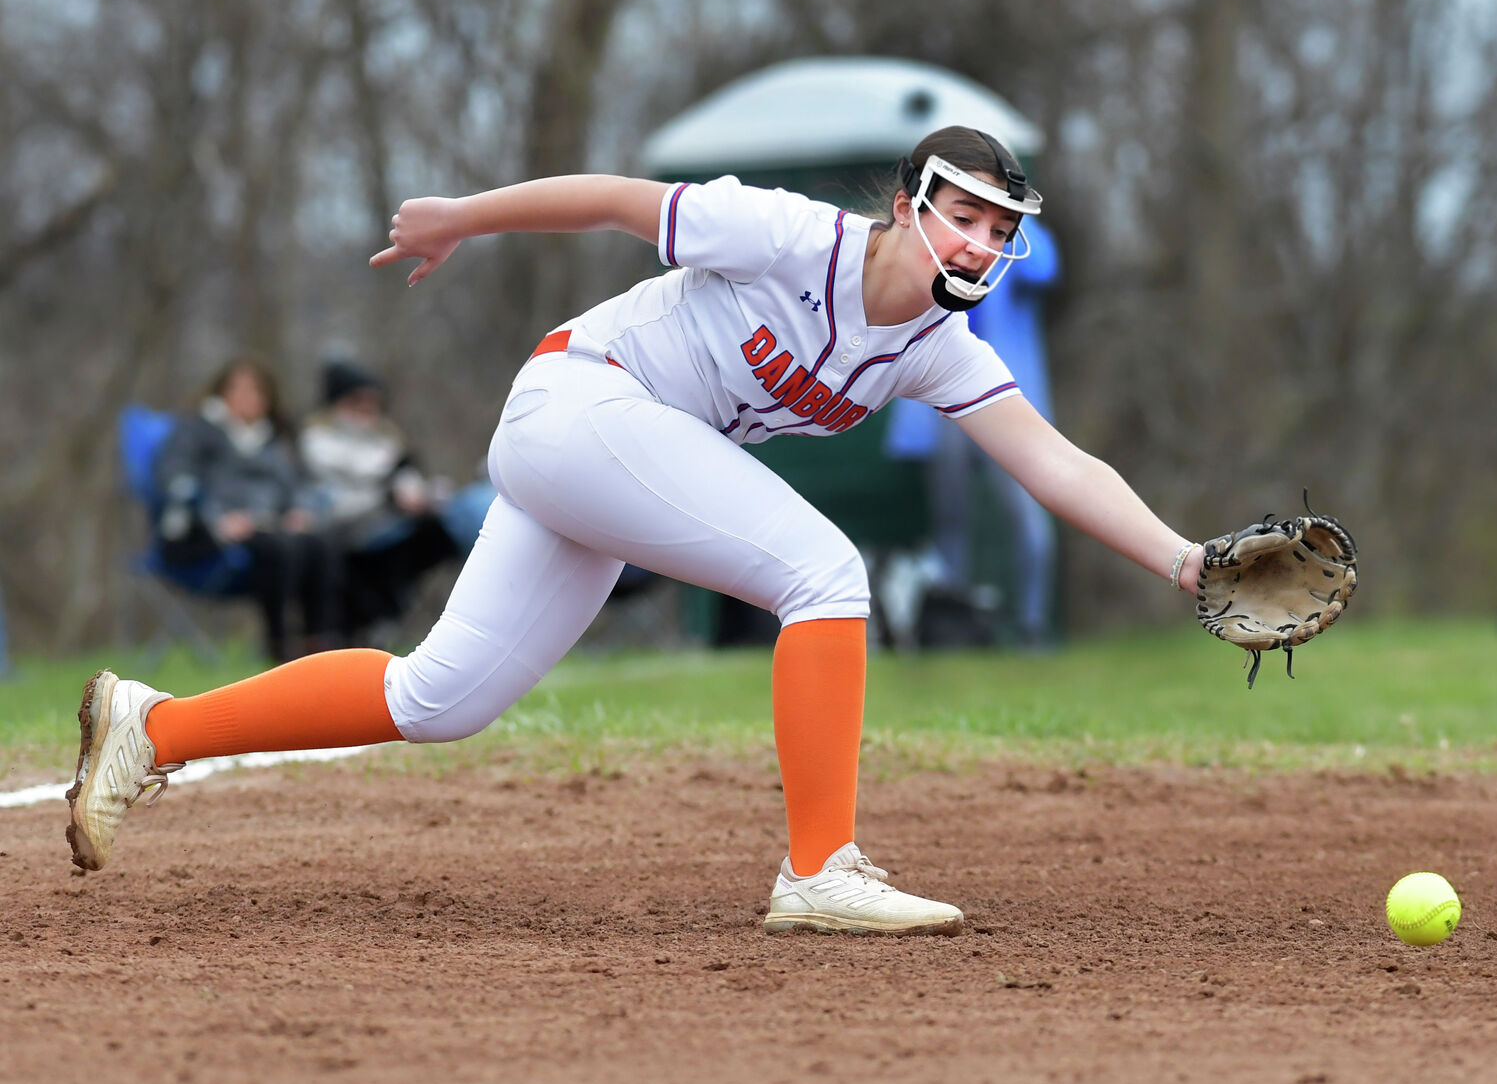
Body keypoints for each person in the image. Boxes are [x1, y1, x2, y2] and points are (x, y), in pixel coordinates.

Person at [64, 126, 1214, 935]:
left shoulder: (931, 348)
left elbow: (1053, 460)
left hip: (609, 455)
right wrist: (463, 218)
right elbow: (619, 200)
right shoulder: (789, 236)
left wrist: (1185, 561)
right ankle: (820, 869)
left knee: (439, 699)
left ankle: (151, 730)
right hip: (580, 402)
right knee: (825, 573)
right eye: (960, 215)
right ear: (909, 205)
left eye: (995, 228)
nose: (975, 243)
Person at [883, 223, 1062, 647]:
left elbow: (1046, 269)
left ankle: (1033, 627)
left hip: (1005, 402)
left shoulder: (1013, 242)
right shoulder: (939, 244)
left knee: (1027, 517)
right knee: (950, 518)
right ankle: (953, 626)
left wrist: (1011, 220)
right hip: (945, 407)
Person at [154, 358, 344, 661]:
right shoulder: (196, 430)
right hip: (207, 538)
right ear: (219, 393)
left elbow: (301, 485)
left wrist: (301, 511)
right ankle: (279, 649)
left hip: (271, 525)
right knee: (278, 549)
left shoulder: (277, 438)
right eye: (237, 389)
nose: (246, 397)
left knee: (319, 543)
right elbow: (175, 479)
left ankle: (320, 651)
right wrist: (217, 519)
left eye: (255, 390)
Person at [299, 360, 459, 640]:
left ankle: (403, 617)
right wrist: (389, 494)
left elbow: (404, 476)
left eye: (373, 402)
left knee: (437, 533)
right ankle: (370, 621)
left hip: (388, 532)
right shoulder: (317, 439)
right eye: (358, 401)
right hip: (339, 535)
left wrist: (415, 495)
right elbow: (336, 498)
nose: (367, 409)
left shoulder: (387, 438)